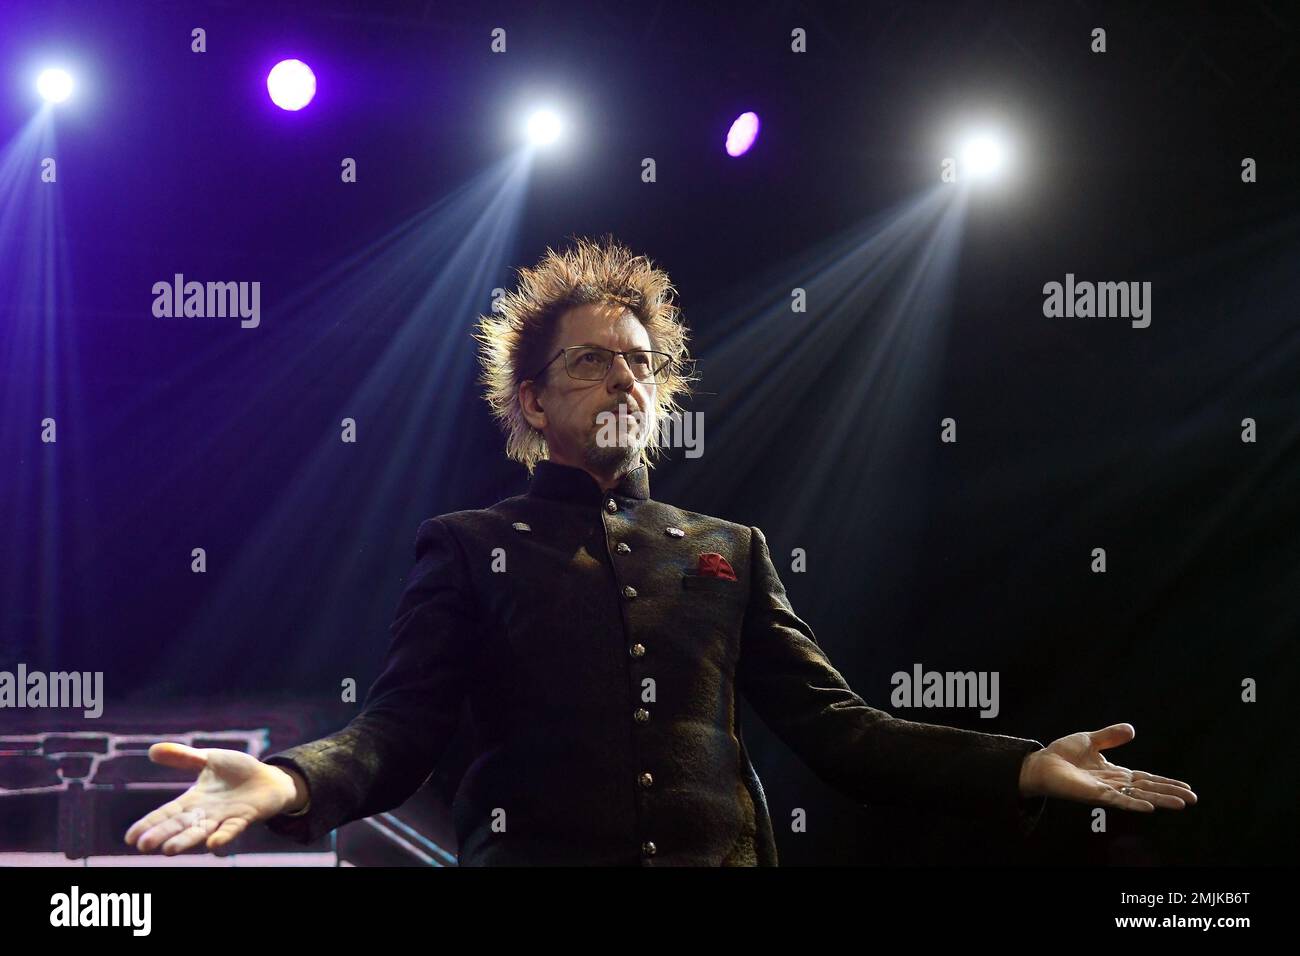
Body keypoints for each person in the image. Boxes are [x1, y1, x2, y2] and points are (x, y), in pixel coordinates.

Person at [124, 235, 1196, 864]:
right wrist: (285, 781)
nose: (622, 379)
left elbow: (841, 729)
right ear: (533, 399)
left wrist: (1017, 762)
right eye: (590, 361)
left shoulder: (729, 547)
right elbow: (398, 730)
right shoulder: (466, 545)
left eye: (637, 363)